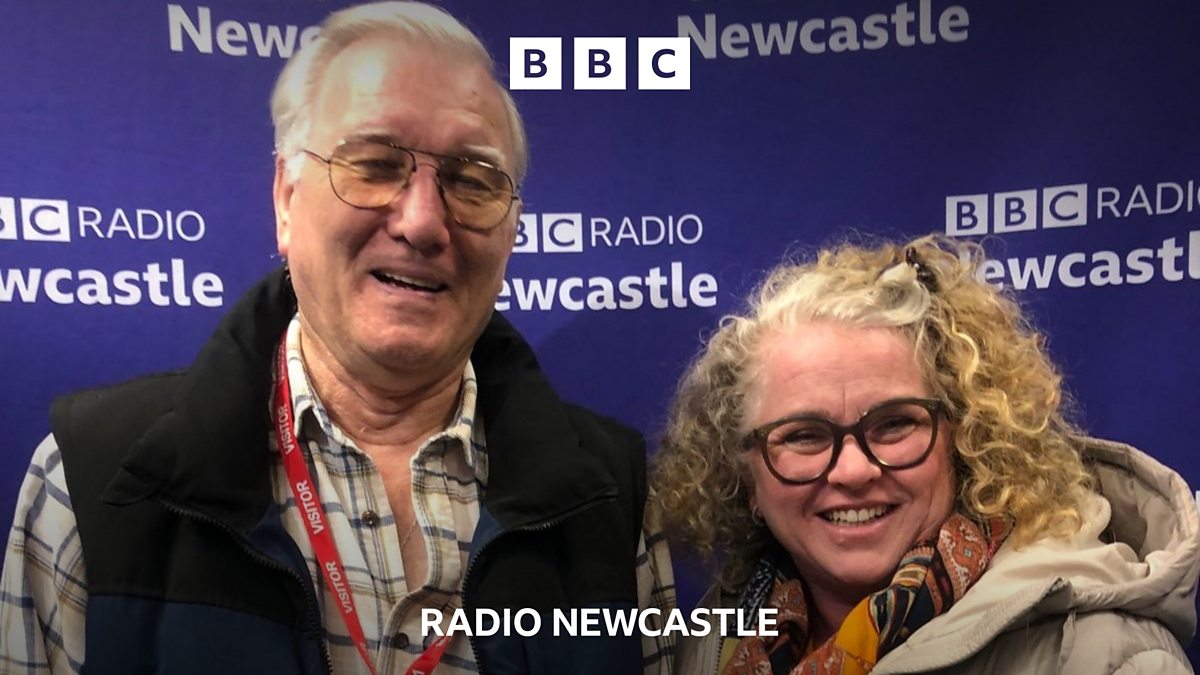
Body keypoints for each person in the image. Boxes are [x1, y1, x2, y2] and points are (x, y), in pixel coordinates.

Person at [0, 3, 674, 674]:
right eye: (376, 164)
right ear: (286, 200)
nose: (422, 222)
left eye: (472, 180)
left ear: (512, 230)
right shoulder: (91, 483)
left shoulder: (612, 499)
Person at [652, 235, 1200, 674]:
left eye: (894, 425)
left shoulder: (1099, 657)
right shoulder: (721, 639)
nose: (853, 470)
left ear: (965, 442)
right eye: (803, 435)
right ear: (747, 479)